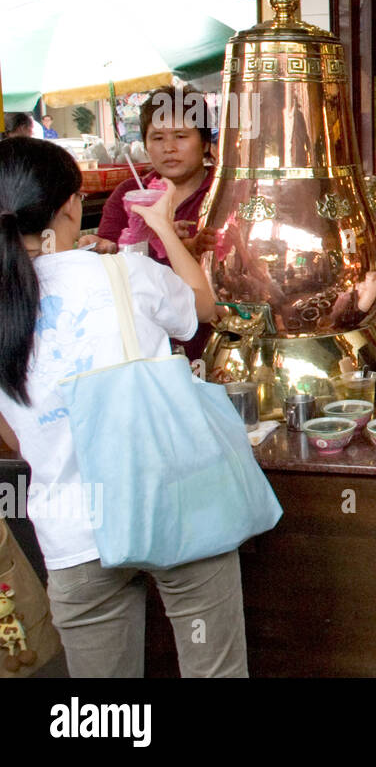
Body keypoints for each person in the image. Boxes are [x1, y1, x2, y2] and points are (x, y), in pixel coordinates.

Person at [0, 137, 247, 677]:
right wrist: (159, 224)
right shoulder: (120, 273)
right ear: (71, 204)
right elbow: (203, 307)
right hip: (173, 507)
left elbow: (18, 439)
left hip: (72, 536)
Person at [82, 87, 216, 359]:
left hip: (211, 338)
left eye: (180, 136)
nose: (169, 148)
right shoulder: (129, 194)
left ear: (203, 142)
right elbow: (111, 249)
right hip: (145, 342)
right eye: (157, 138)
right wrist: (99, 248)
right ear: (145, 144)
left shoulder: (222, 190)